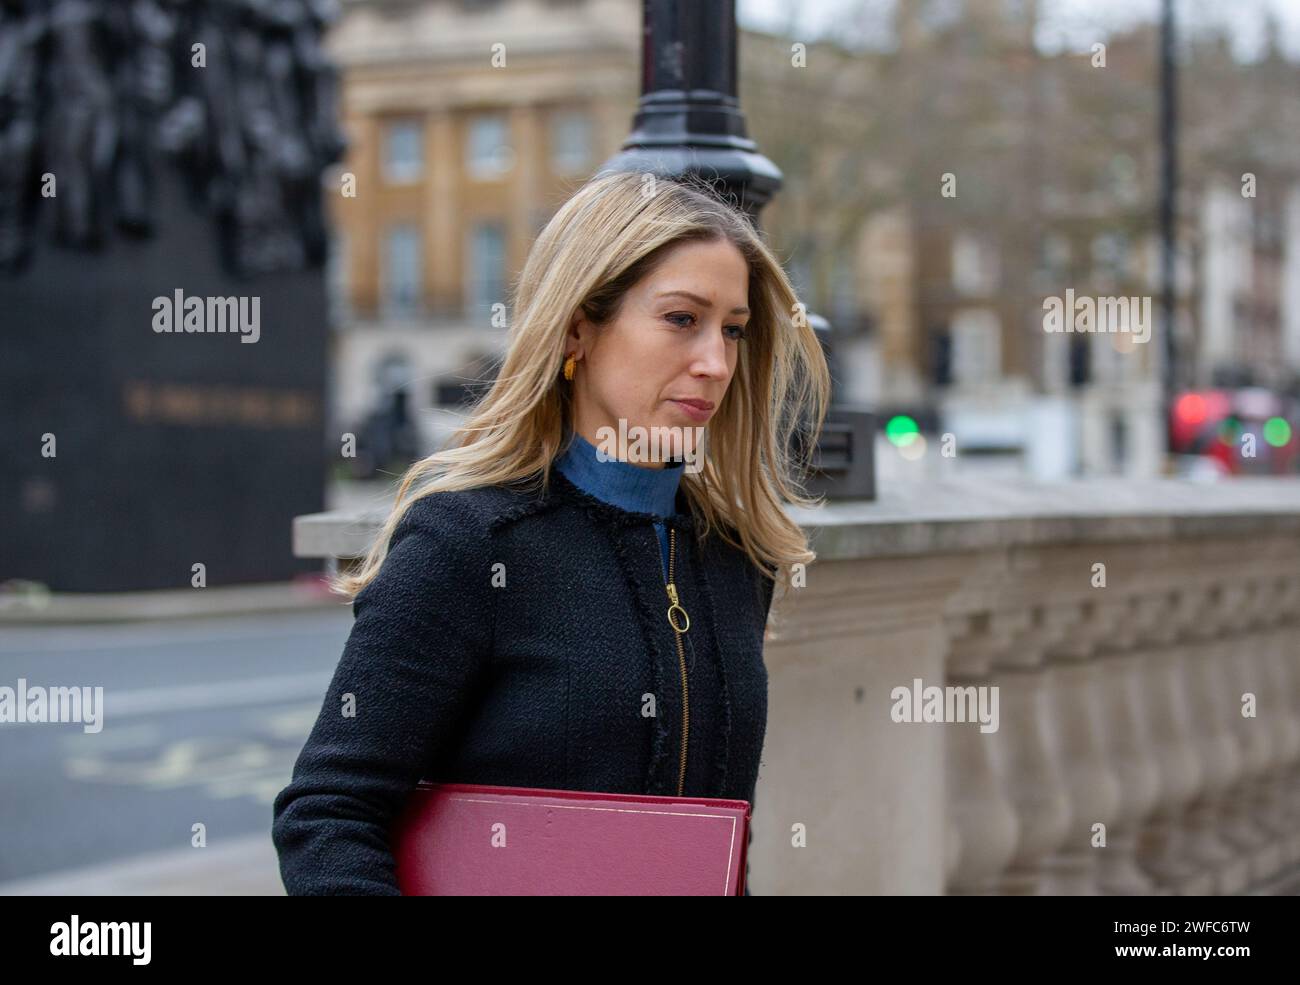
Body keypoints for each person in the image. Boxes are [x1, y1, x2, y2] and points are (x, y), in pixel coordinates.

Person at [271, 169, 830, 895]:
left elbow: (713, 842)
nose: (715, 363)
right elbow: (328, 813)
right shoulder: (470, 538)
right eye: (681, 319)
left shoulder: (733, 554)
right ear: (577, 328)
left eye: (732, 329)